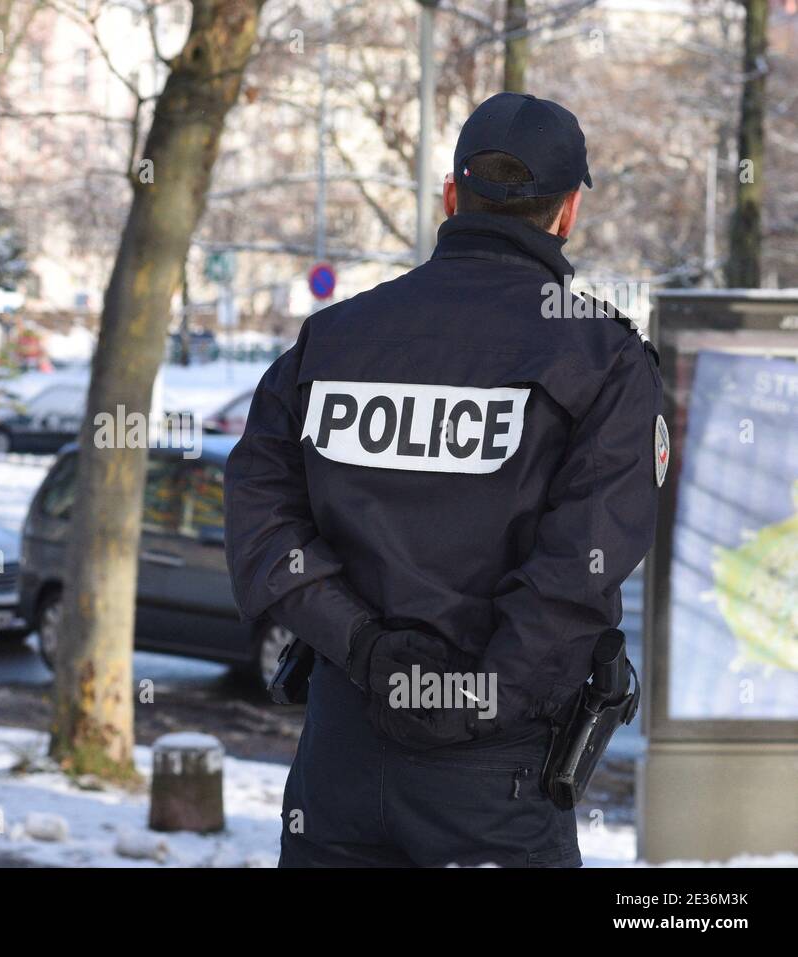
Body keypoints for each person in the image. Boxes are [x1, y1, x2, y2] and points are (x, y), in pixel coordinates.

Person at [224, 92, 664, 867]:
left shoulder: (332, 339)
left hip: (341, 760)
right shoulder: (603, 358)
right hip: (501, 775)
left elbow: (262, 526)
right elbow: (578, 570)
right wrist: (480, 698)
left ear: (452, 198)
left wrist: (364, 650)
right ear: (566, 215)